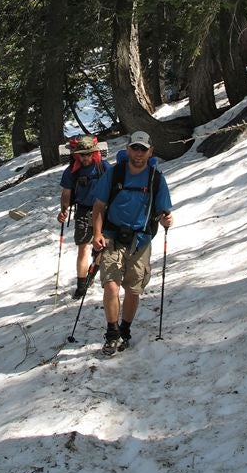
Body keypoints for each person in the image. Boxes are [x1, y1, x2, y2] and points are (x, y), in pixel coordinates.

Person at [92, 131, 173, 356]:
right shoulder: (114, 174)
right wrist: (97, 233)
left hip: (141, 240)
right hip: (112, 236)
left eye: (143, 149)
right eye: (135, 148)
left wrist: (167, 220)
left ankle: (124, 331)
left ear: (150, 152)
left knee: (133, 289)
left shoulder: (156, 179)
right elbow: (98, 206)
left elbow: (164, 211)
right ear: (128, 149)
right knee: (111, 285)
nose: (138, 153)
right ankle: (112, 334)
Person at [58, 136, 109, 299]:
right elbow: (66, 193)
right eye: (82, 155)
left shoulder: (103, 167)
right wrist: (63, 210)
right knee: (83, 248)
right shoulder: (72, 171)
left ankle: (90, 276)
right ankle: (82, 285)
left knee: (101, 247)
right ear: (77, 155)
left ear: (94, 153)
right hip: (83, 210)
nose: (85, 158)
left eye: (88, 154)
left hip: (103, 210)